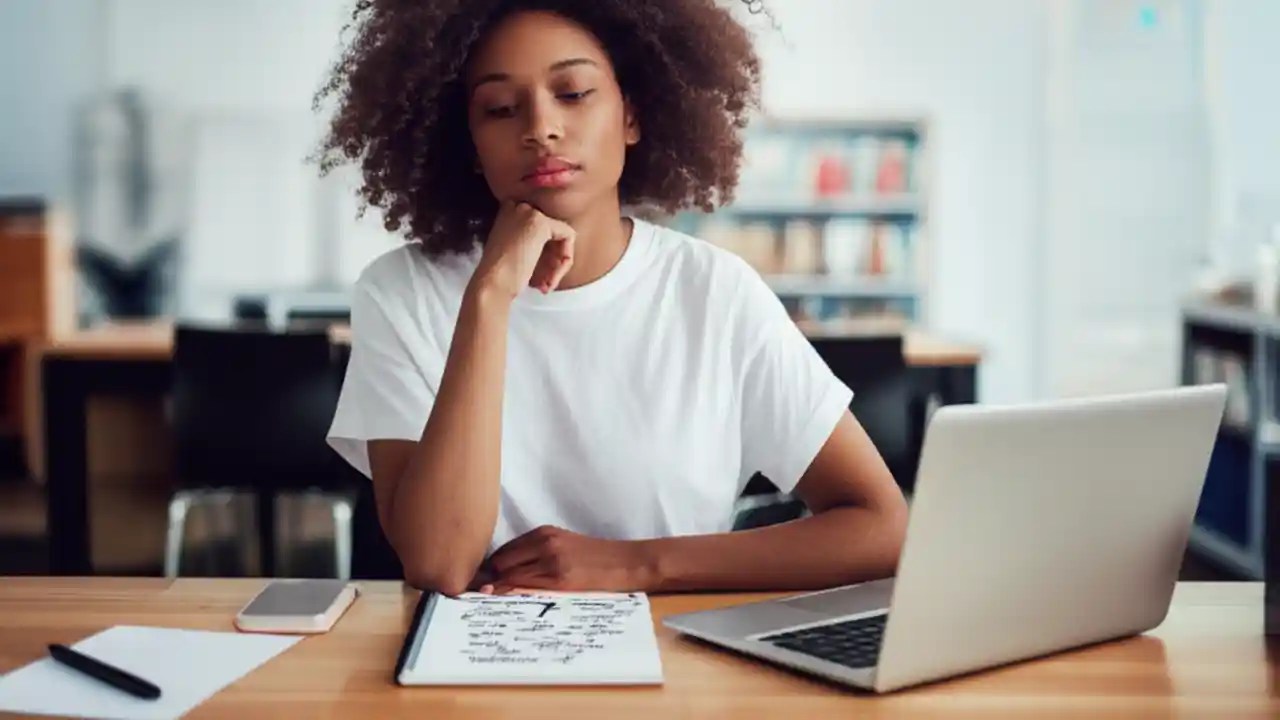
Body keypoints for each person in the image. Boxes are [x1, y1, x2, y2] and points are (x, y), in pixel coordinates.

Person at [320, 0, 907, 596]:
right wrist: (491, 297)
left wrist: (637, 565)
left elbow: (882, 527)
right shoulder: (400, 293)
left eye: (573, 93)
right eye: (499, 108)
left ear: (631, 115)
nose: (540, 128)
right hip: (468, 672)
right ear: (470, 145)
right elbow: (439, 564)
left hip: (679, 661)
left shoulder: (716, 292)